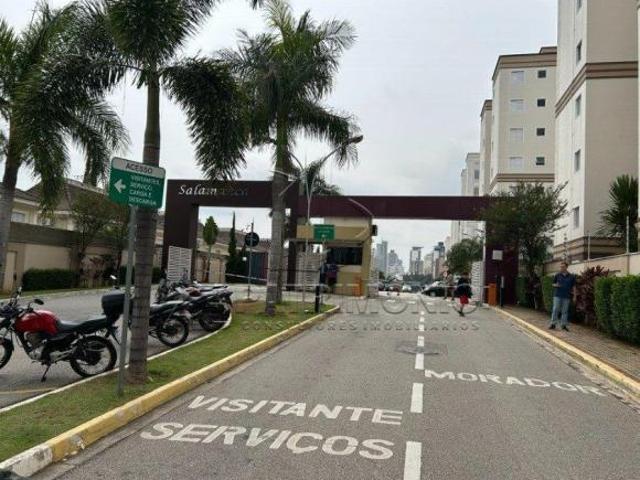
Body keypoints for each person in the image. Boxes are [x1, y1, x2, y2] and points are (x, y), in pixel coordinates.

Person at [549, 261, 576, 331]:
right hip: (557, 295)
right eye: (561, 267)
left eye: (563, 267)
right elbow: (553, 284)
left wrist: (574, 296)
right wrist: (556, 285)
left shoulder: (571, 276)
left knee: (565, 311)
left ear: (566, 267)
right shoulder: (557, 275)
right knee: (555, 309)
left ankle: (563, 325)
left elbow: (574, 287)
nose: (561, 268)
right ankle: (553, 324)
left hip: (566, 296)